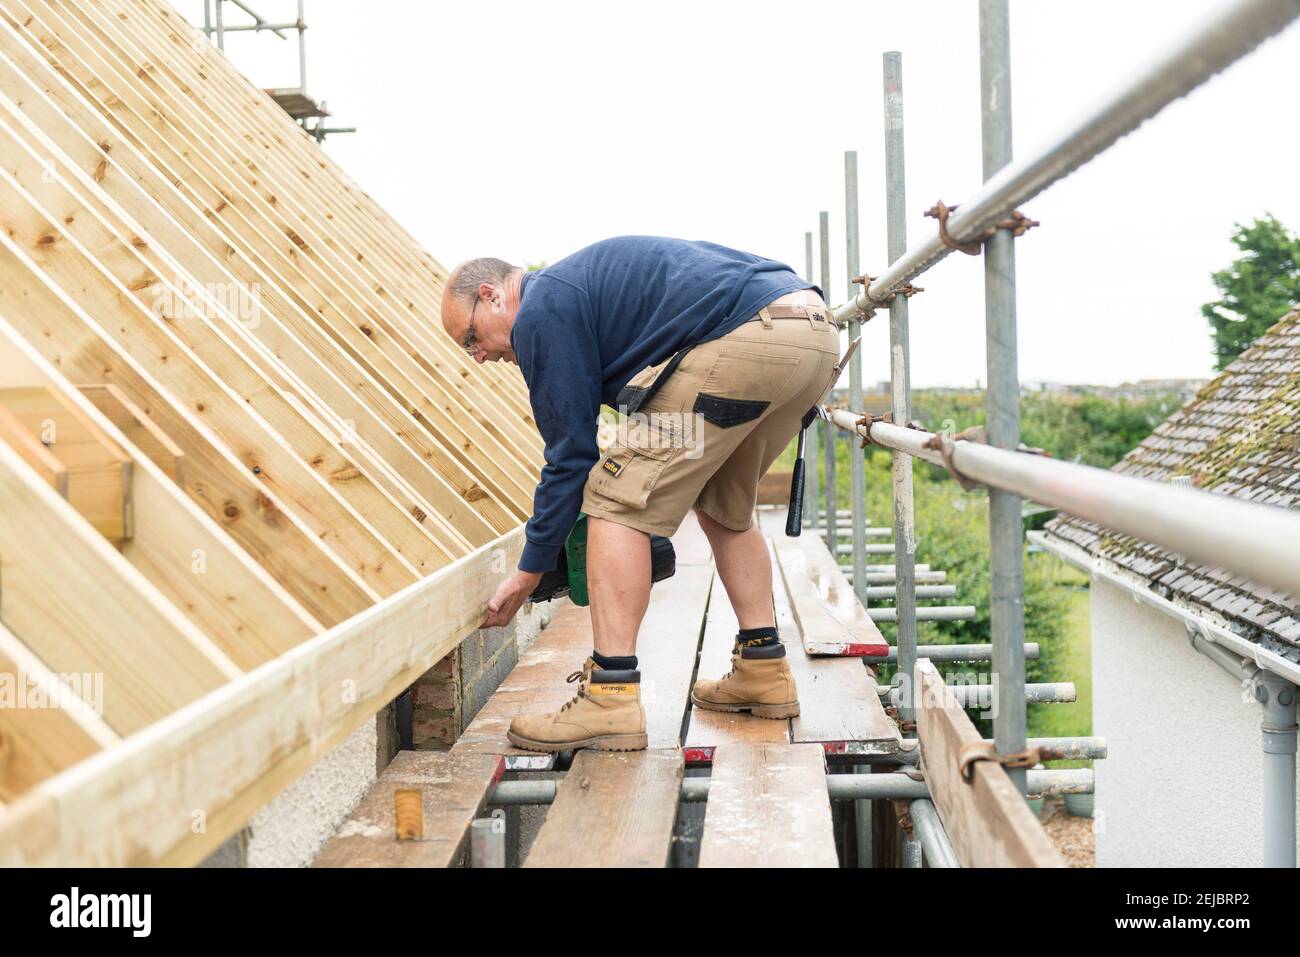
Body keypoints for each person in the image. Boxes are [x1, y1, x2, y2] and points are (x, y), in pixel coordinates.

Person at [439, 236, 841, 752]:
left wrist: (529, 570)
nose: (478, 356)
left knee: (611, 499)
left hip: (747, 339)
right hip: (811, 332)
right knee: (725, 508)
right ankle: (763, 668)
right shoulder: (579, 291)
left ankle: (611, 696)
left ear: (493, 295)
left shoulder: (540, 311)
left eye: (471, 337)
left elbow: (570, 456)